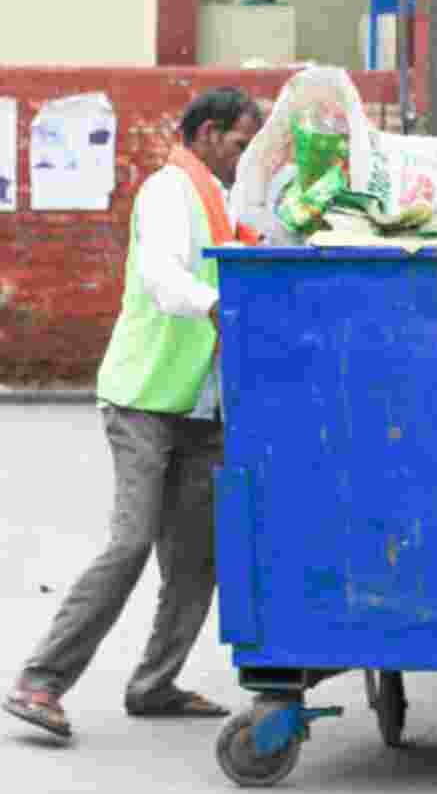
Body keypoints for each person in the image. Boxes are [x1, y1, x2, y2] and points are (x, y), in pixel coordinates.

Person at [3, 87, 264, 739]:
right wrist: (217, 306)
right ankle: (41, 681)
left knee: (197, 556)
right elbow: (161, 278)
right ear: (206, 134)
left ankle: (154, 683)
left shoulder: (224, 197)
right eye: (239, 142)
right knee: (131, 542)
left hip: (202, 404)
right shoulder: (168, 193)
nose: (245, 154)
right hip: (144, 398)